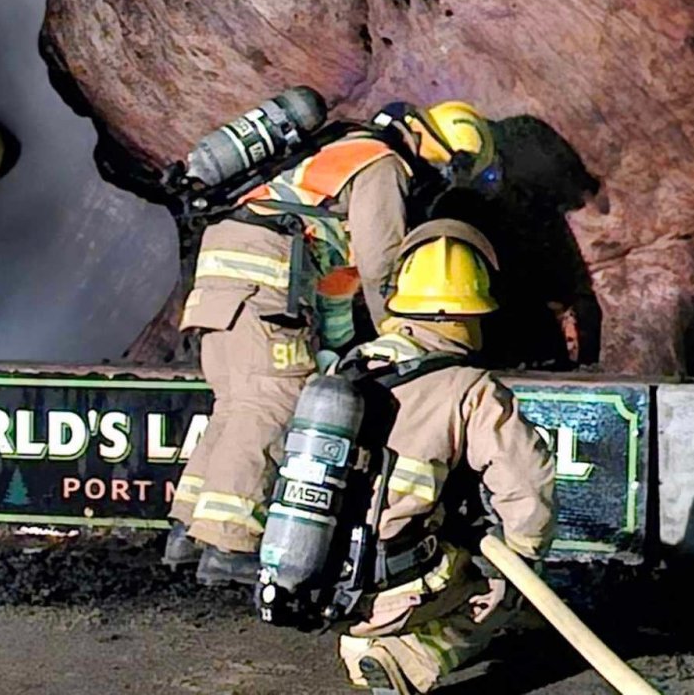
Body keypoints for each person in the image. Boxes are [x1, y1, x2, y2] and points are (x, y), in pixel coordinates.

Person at [166, 101, 498, 586]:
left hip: (226, 281)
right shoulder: (382, 164)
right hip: (264, 288)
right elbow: (379, 261)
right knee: (270, 407)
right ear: (439, 152)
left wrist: (342, 342)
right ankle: (228, 543)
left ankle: (188, 530)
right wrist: (400, 335)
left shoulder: (339, 148)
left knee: (236, 407)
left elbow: (335, 277)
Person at [336, 218, 556, 695]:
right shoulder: (469, 389)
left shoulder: (351, 369)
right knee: (495, 584)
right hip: (396, 586)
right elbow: (526, 480)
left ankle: (363, 646)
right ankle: (409, 657)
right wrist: (522, 555)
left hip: (324, 581)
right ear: (474, 312)